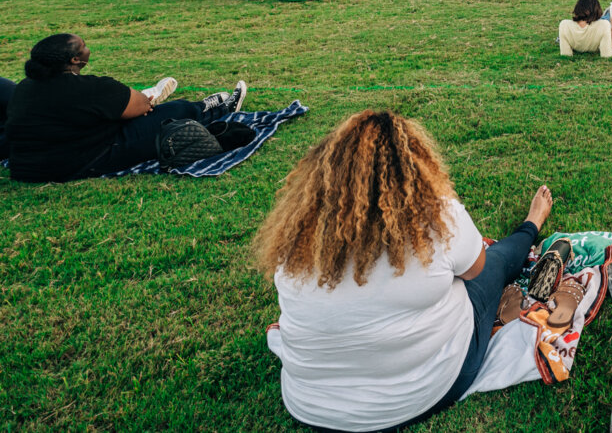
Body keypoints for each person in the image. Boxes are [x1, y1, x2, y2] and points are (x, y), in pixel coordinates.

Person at [255, 109, 554, 432]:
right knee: (490, 266)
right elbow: (477, 268)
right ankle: (530, 225)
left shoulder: (295, 234)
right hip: (421, 394)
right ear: (415, 167)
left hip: (310, 408)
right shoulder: (437, 218)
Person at [6, 33, 246, 182]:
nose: (88, 49)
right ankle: (218, 109)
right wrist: (141, 106)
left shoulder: (26, 88)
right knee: (173, 113)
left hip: (27, 169)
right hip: (84, 161)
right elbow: (141, 106)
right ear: (75, 60)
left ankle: (206, 108)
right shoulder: (91, 88)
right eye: (84, 46)